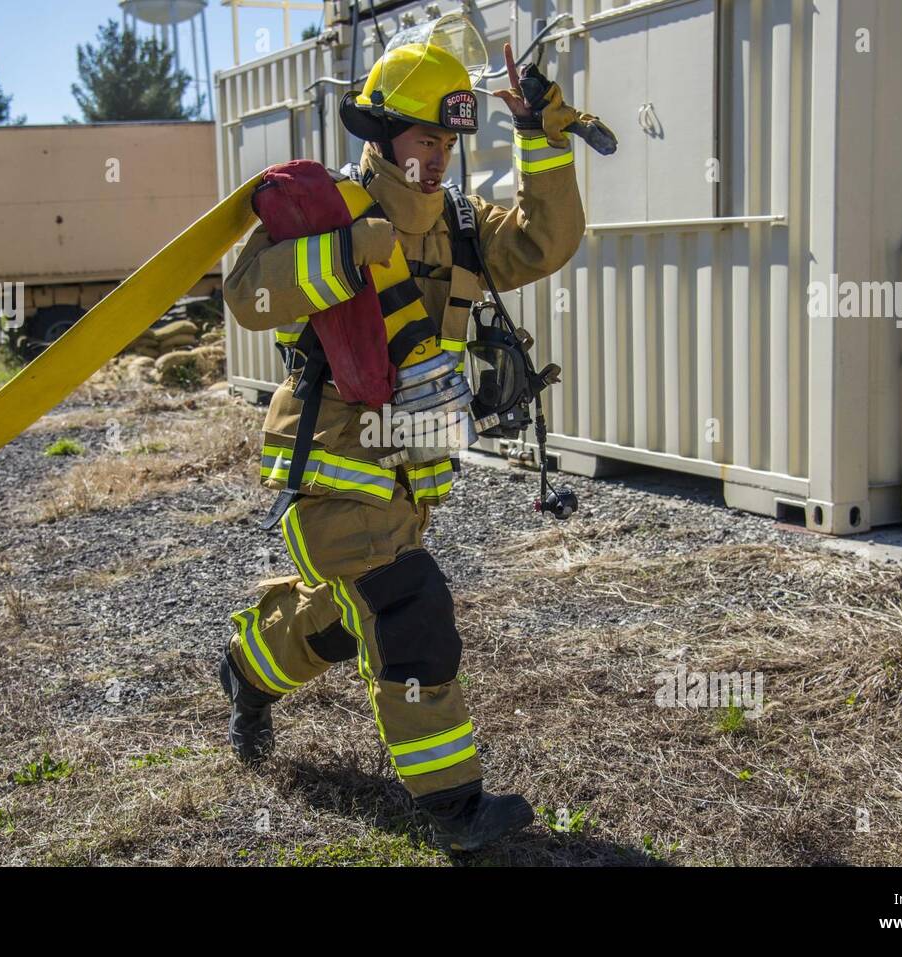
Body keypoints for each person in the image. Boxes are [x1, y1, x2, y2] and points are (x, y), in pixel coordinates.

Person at [219, 32, 589, 852]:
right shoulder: (330, 208)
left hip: (413, 468)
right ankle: (455, 809)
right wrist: (347, 255)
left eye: (452, 141)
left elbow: (546, 242)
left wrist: (543, 140)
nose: (442, 157)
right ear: (382, 136)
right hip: (332, 465)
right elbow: (247, 295)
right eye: (428, 138)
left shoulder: (461, 223)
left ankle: (247, 667)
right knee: (411, 608)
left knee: (350, 620)